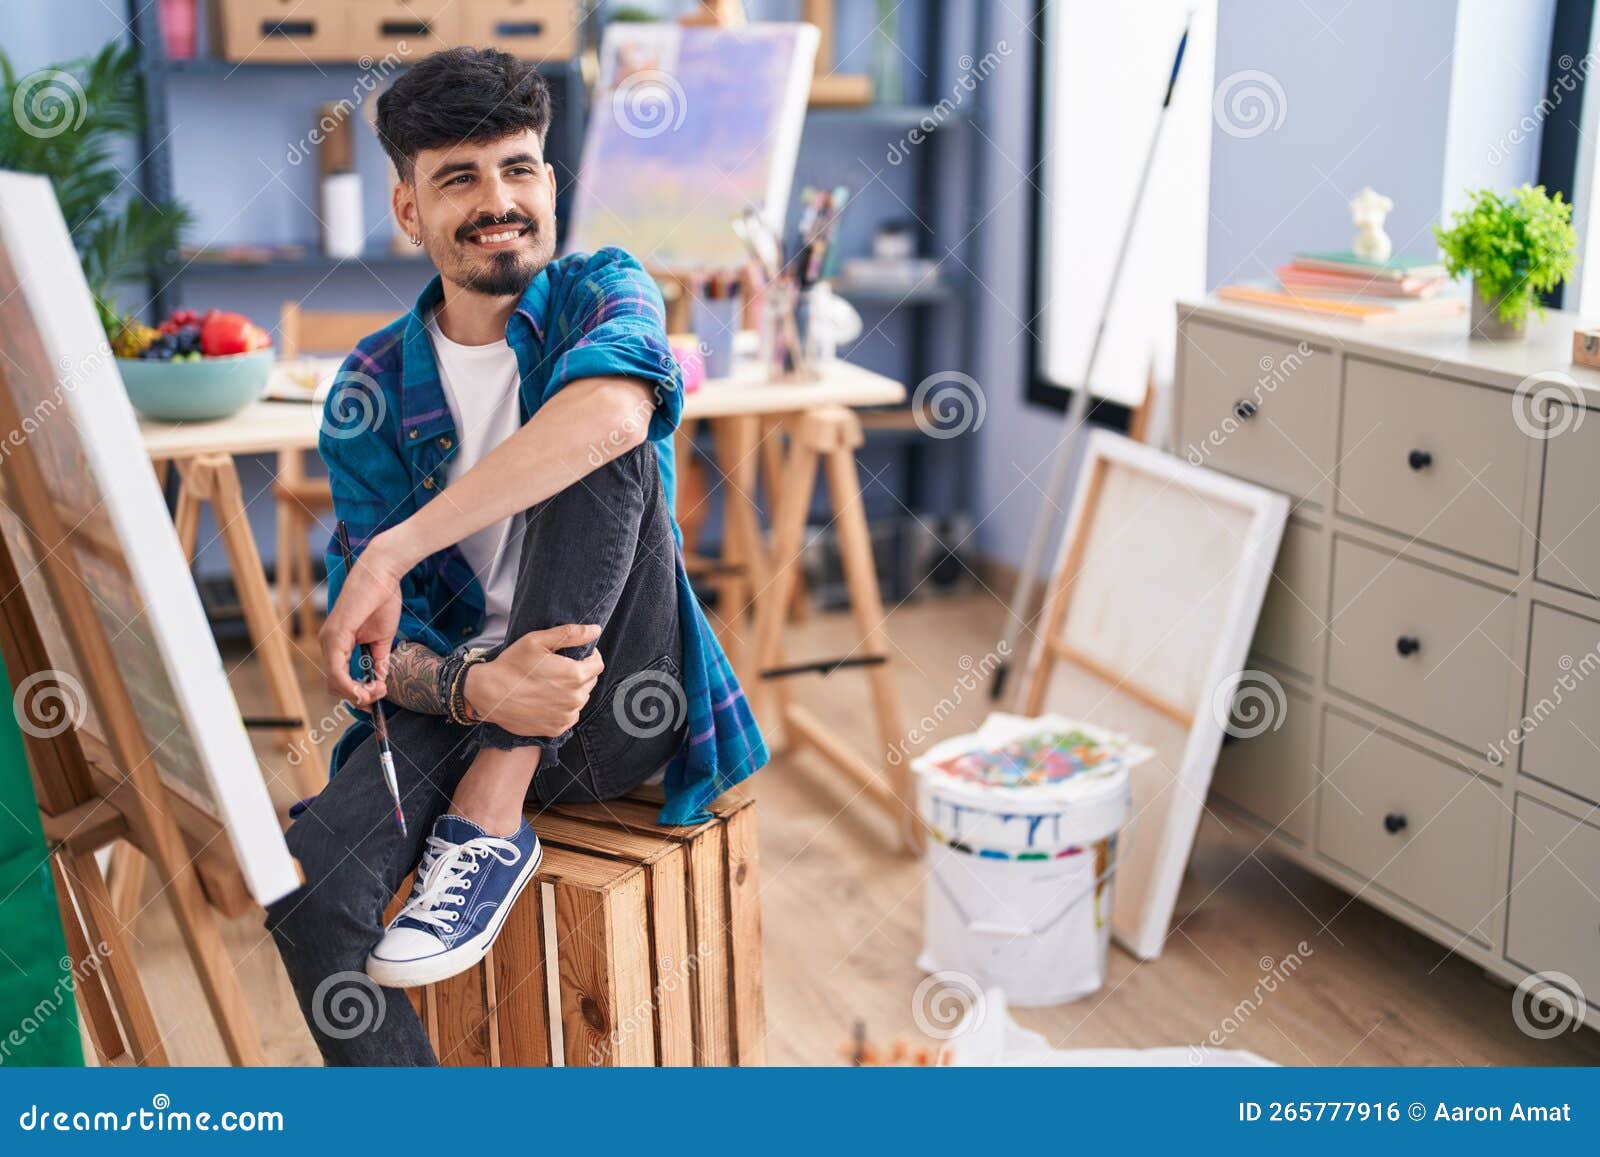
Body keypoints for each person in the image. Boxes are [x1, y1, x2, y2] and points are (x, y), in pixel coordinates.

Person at [264, 47, 766, 1066]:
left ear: (547, 178)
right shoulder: (367, 388)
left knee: (604, 423)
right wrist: (482, 687)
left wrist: (401, 547)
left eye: (519, 168)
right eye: (459, 178)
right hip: (468, 695)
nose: (498, 201)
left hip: (621, 702)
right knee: (310, 890)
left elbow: (618, 414)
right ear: (409, 209)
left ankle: (496, 810)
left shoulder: (599, 291)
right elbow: (377, 658)